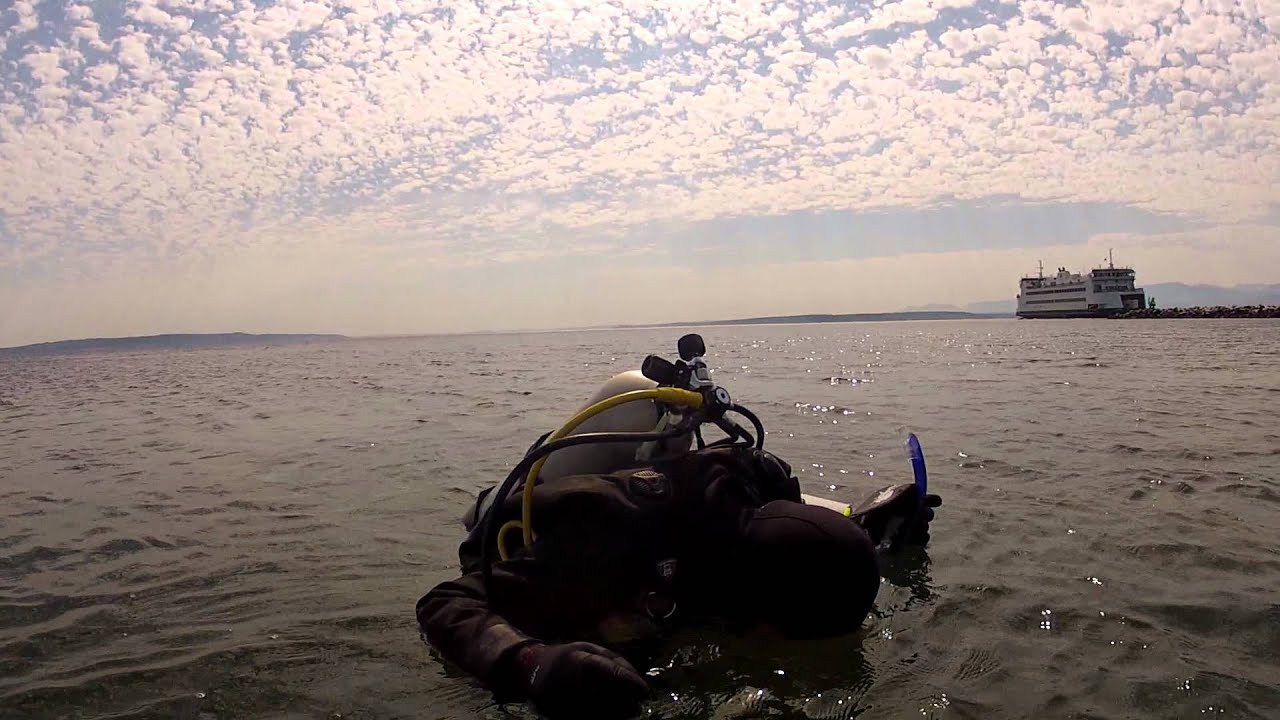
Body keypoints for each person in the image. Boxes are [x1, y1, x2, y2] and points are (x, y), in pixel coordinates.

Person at [415, 371, 941, 720]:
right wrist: (530, 663)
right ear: (762, 620)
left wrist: (872, 527)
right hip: (549, 537)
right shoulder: (614, 541)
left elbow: (801, 532)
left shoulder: (764, 479)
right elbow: (446, 602)